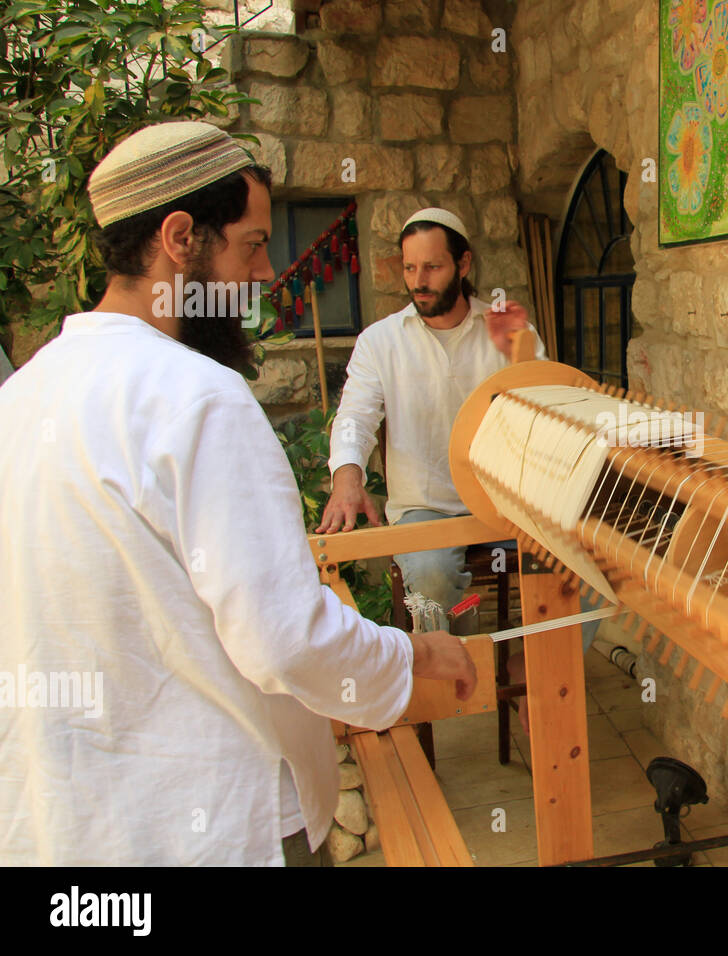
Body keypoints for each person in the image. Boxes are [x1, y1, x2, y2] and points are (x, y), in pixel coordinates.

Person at [0, 121, 475, 866]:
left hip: (66, 832)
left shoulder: (21, 397)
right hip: (211, 823)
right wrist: (414, 654)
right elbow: (286, 639)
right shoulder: (199, 397)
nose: (265, 274)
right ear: (180, 237)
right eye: (253, 246)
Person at [317, 208, 599, 731]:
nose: (419, 283)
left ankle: (527, 666)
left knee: (592, 564)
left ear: (464, 263)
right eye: (409, 269)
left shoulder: (506, 326)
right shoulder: (381, 341)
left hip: (505, 502)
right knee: (431, 579)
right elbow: (355, 416)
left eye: (433, 268)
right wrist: (348, 478)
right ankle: (465, 660)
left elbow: (550, 405)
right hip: (425, 507)